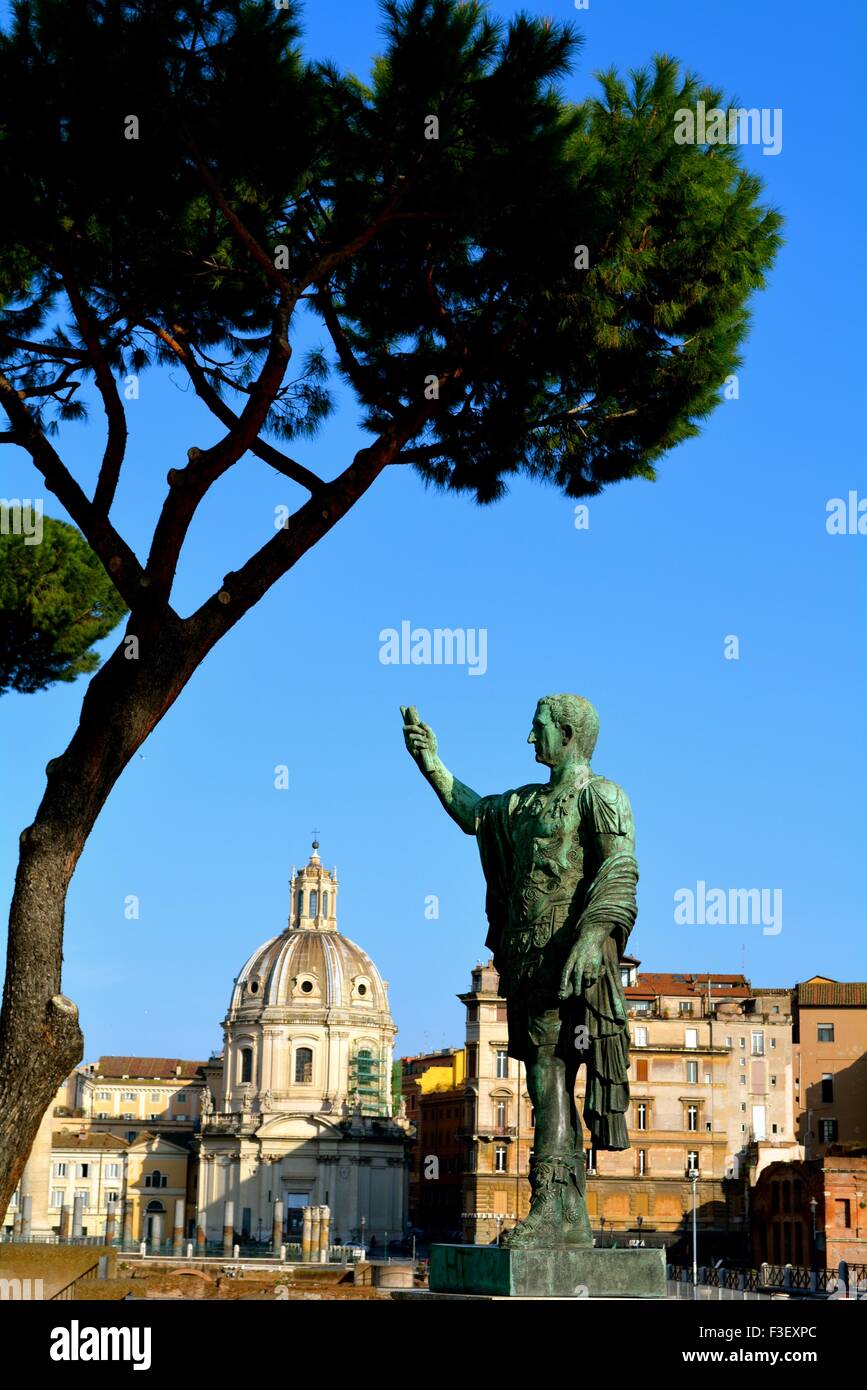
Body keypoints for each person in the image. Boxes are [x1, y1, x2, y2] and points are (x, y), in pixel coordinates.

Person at [402, 695, 638, 1248]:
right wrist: (432, 765)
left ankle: (556, 1206)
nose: (531, 740)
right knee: (543, 1076)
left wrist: (592, 934)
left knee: (551, 1071)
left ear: (568, 734)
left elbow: (620, 866)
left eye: (539, 729)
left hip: (574, 960)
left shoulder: (601, 797)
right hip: (528, 961)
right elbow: (476, 814)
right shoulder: (524, 803)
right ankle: (566, 1212)